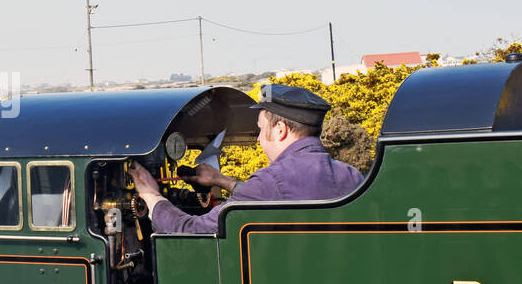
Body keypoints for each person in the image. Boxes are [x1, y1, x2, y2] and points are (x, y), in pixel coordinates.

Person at [128, 84, 364, 235]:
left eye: (261, 130)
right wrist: (222, 181)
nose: (260, 139)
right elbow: (282, 197)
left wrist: (152, 196)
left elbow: (192, 231)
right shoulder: (351, 176)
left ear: (280, 130)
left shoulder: (270, 182)